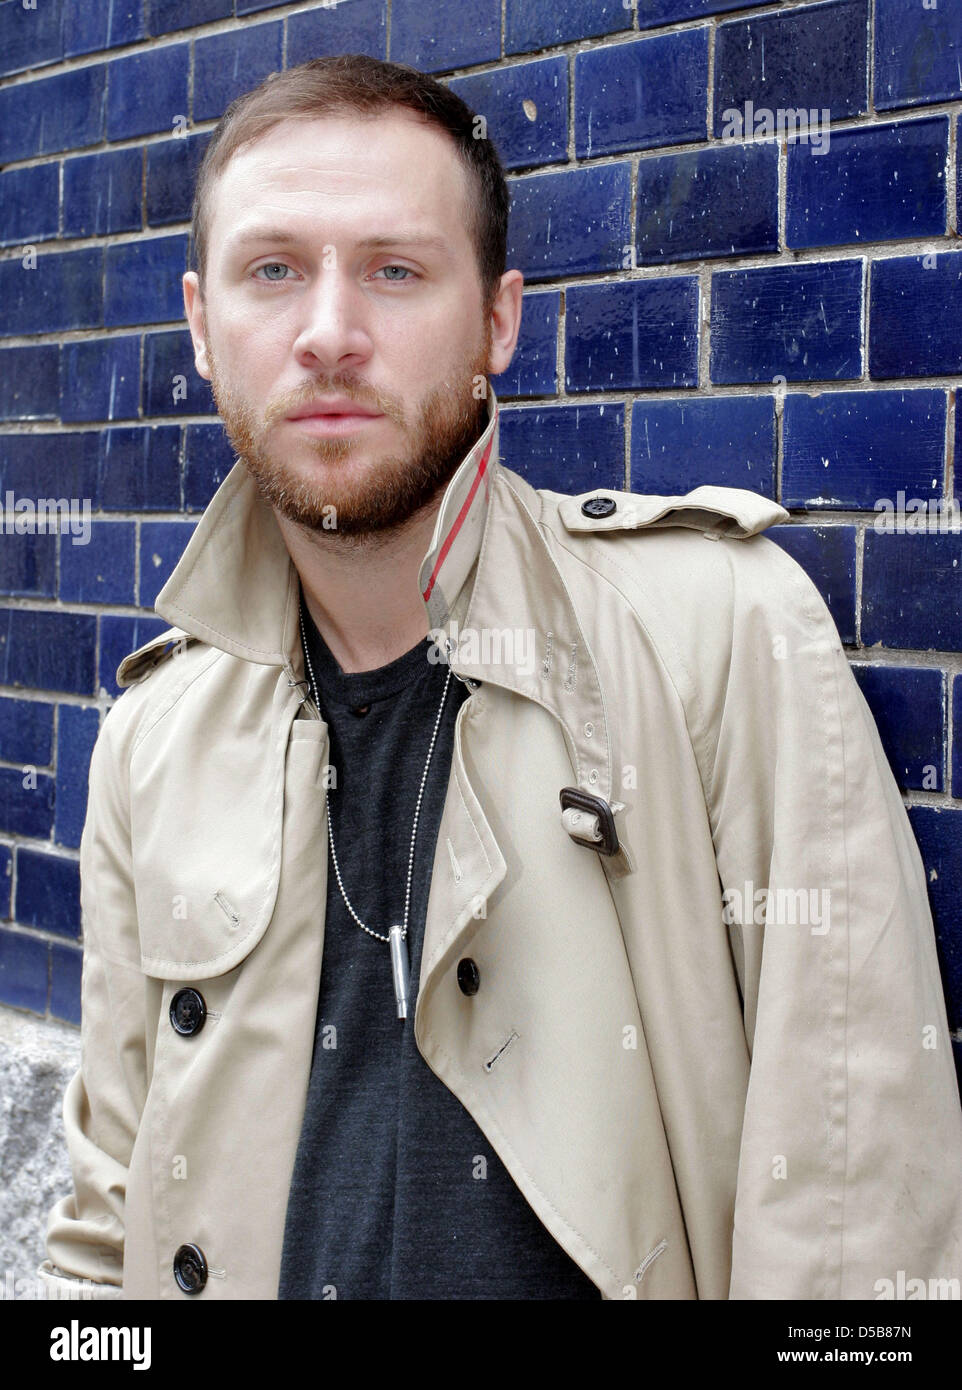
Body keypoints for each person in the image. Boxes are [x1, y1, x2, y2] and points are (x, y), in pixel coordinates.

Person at [39, 54, 962, 1301]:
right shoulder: (153, 736)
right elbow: (107, 1233)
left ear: (496, 322)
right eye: (273, 271)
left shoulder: (713, 633)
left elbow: (854, 1220)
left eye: (394, 270)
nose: (327, 332)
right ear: (202, 328)